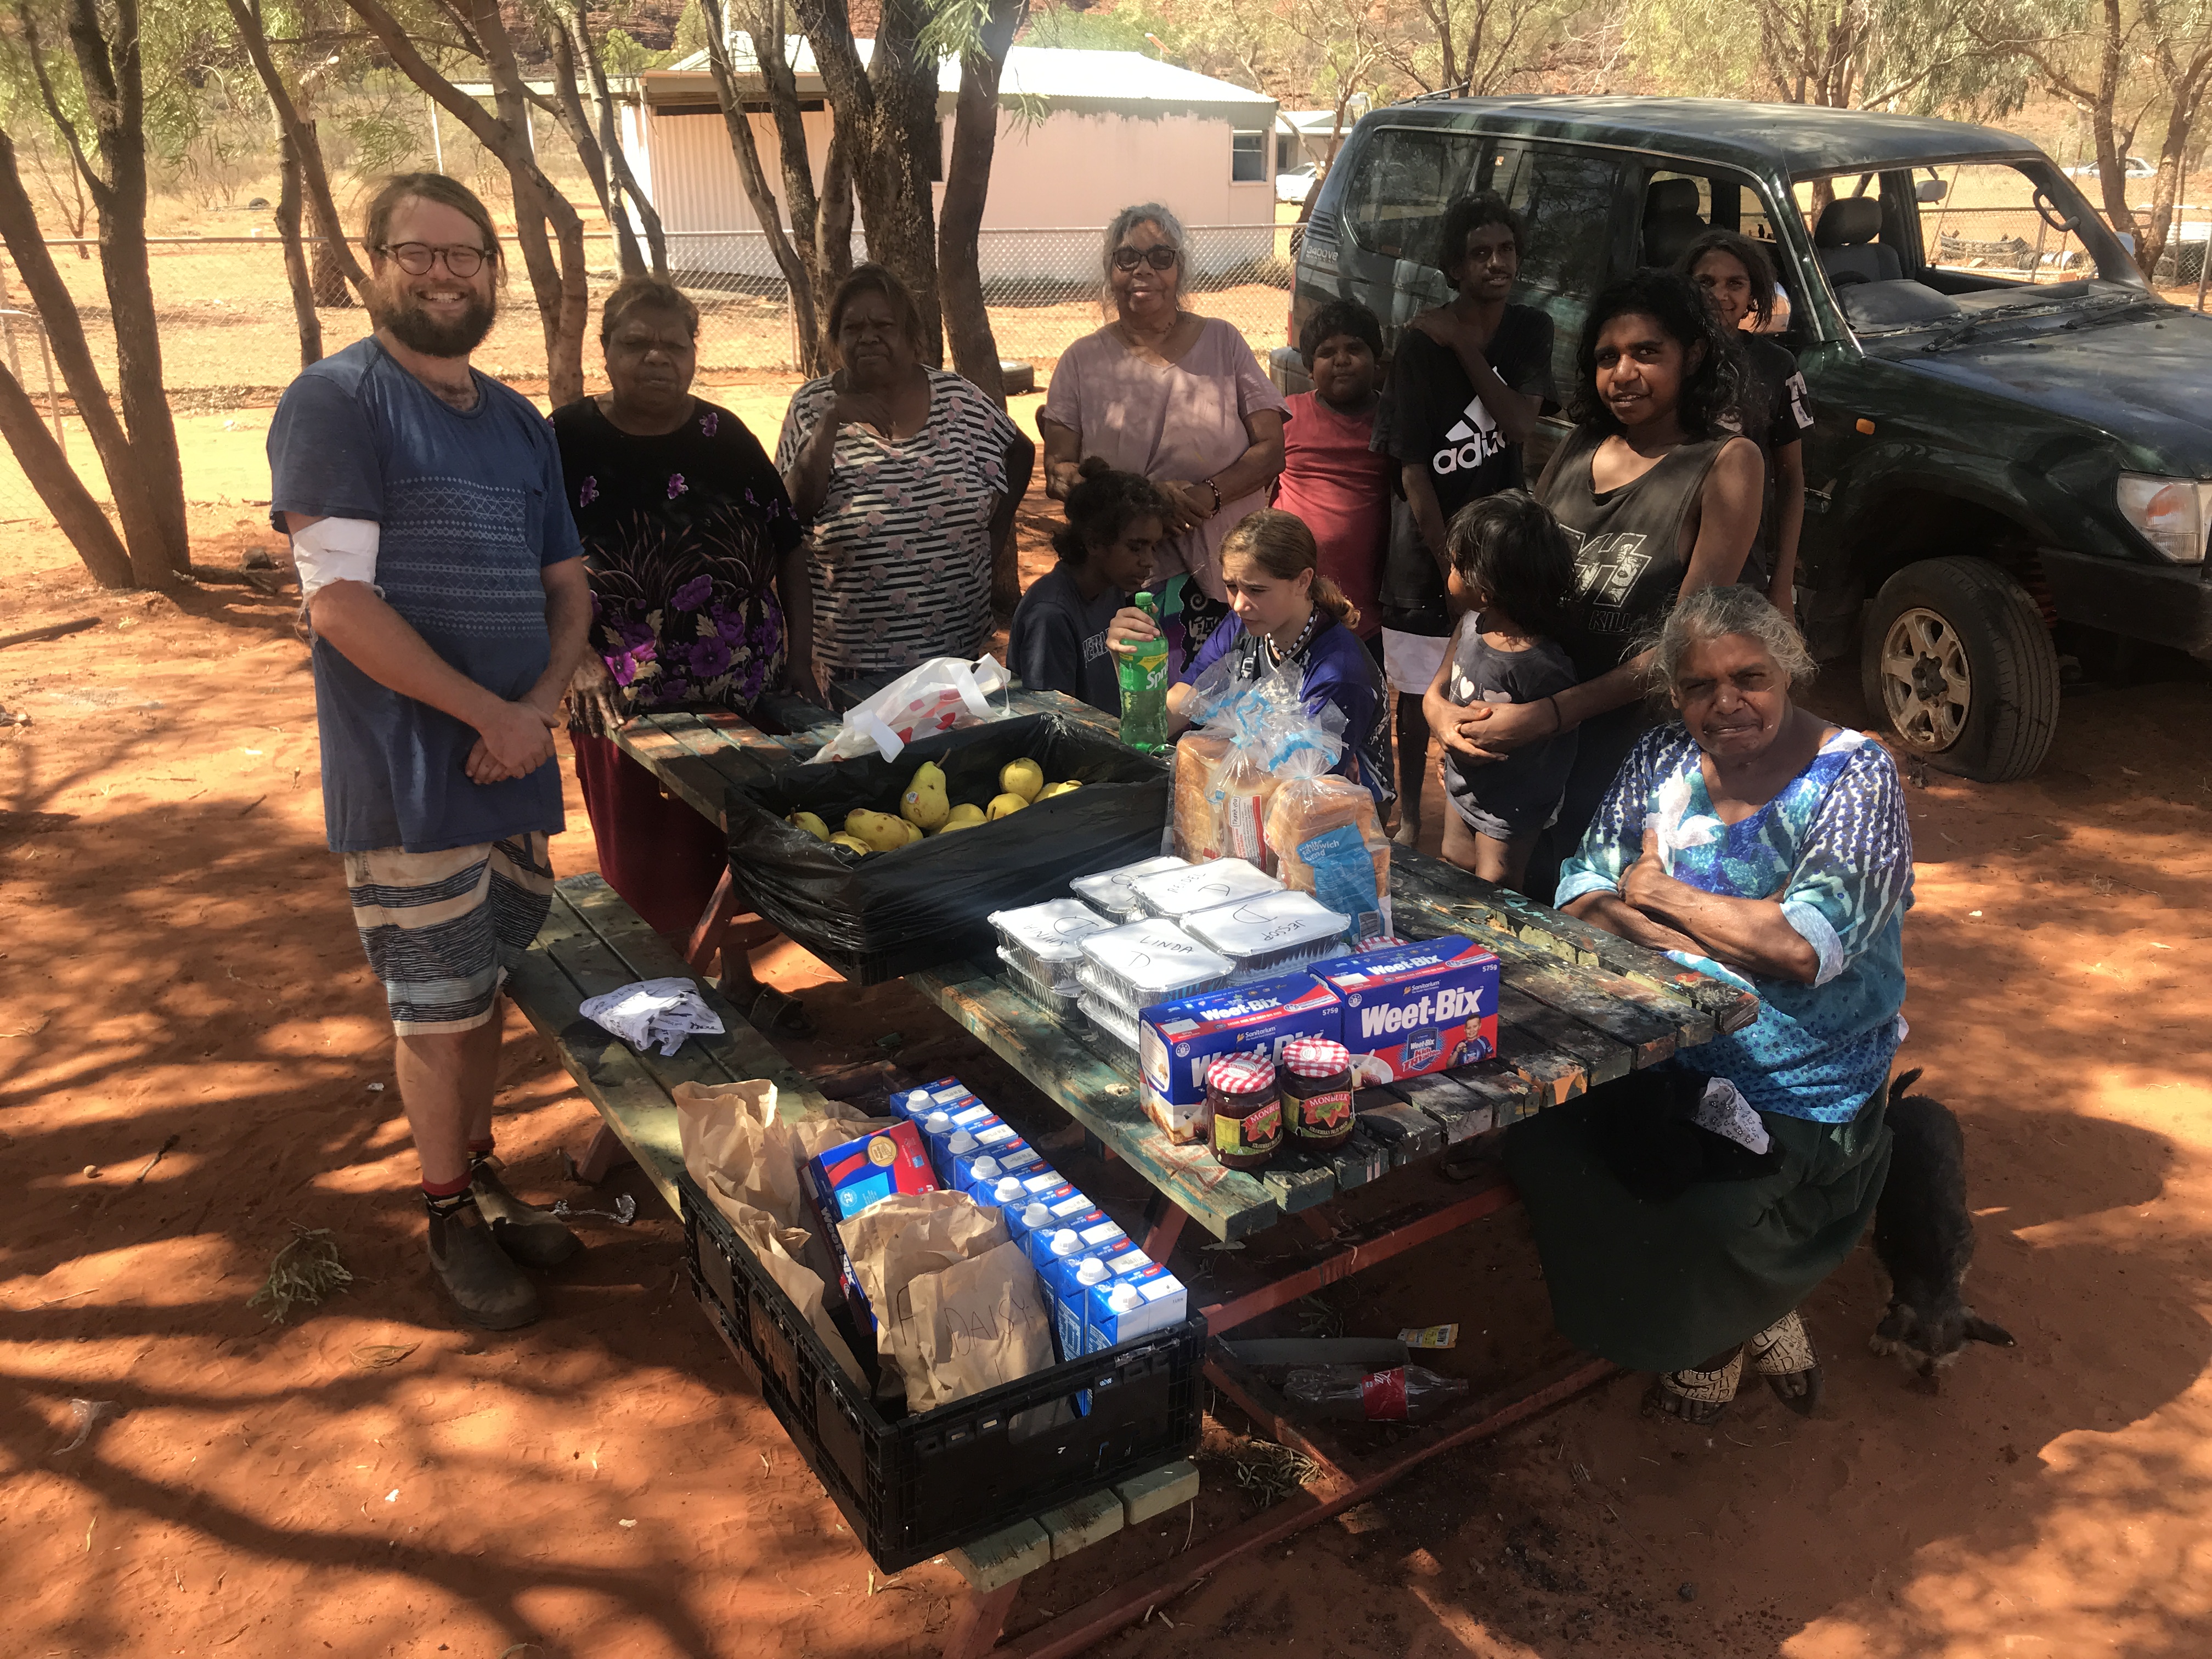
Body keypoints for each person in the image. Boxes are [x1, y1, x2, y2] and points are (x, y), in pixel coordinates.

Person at [267, 172, 593, 1330]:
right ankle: (448, 1207)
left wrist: (543, 701)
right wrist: (486, 716)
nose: (445, 275)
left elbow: (569, 587)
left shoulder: (516, 424)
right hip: (412, 778)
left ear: (493, 271)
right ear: (372, 265)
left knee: (489, 986)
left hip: (513, 765)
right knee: (437, 1005)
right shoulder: (338, 404)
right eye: (421, 254)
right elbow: (340, 606)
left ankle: (482, 1167)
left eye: (467, 256)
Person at [1504, 585, 1911, 1424]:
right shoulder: (1662, 758)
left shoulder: (1855, 775)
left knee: (1705, 1217)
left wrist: (1659, 895)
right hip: (1653, 1044)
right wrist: (1678, 929)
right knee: (1541, 1146)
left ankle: (1725, 1328)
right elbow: (1579, 885)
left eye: (1749, 677)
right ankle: (1730, 1311)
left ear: (1789, 672)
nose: (1726, 702)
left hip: (1800, 1073)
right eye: (1698, 686)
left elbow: (1806, 948)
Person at [551, 274, 810, 1035]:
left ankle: (735, 984)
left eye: (674, 344)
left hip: (740, 690)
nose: (656, 358)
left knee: (730, 847)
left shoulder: (722, 437)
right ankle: (668, 1007)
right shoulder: (562, 441)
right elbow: (520, 562)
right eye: (637, 343)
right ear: (605, 352)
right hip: (624, 701)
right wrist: (574, 662)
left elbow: (789, 545)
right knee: (647, 864)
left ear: (695, 353)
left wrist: (800, 659)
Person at [1456, 269, 1763, 902]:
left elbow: (1686, 647)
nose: (1623, 374)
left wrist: (1551, 717)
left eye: (1647, 352)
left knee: (1586, 914)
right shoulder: (1577, 447)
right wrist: (1441, 700)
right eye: (1606, 358)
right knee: (1501, 908)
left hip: (1627, 750)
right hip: (1528, 730)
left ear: (1695, 354)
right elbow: (1506, 588)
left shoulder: (1725, 464)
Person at [1372, 192, 1555, 848]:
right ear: (1454, 267)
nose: (1496, 264)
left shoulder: (1529, 330)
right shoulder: (1419, 347)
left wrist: (1468, 349)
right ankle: (1411, 818)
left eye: (1506, 250)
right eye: (1479, 254)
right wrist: (1450, 563)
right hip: (1427, 561)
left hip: (1501, 558)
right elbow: (1413, 470)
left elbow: (1517, 424)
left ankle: (1477, 816)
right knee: (1420, 692)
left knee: (1490, 684)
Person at [1039, 202, 1288, 670]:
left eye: (1160, 257)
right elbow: (1059, 474)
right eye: (1127, 258)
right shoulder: (1079, 361)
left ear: (1180, 269)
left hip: (1226, 575)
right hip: (1124, 586)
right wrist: (1147, 501)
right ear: (1110, 271)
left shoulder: (1224, 342)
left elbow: (1271, 450)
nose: (1143, 270)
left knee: (1218, 719)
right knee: (1138, 711)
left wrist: (1204, 497)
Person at [776, 263, 1035, 710]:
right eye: (853, 327)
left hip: (955, 654)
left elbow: (1020, 451)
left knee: (946, 773)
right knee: (865, 772)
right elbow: (792, 511)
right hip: (851, 666)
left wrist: (993, 537)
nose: (869, 337)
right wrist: (831, 422)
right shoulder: (812, 407)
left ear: (914, 338)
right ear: (836, 340)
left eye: (884, 325)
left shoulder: (959, 400)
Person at [1107, 509, 1393, 810]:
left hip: (1339, 829)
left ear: (1303, 581)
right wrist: (1129, 664)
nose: (1240, 604)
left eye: (1257, 590)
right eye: (1232, 586)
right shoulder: (1240, 628)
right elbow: (1168, 717)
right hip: (1251, 801)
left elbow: (1304, 799)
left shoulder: (1339, 671)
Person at [1424, 492, 1580, 891]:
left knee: (1497, 880)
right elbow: (1443, 686)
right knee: (1455, 858)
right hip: (1462, 781)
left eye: (1457, 566)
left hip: (1512, 800)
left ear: (1486, 587)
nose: (1451, 571)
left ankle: (1492, 950)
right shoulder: (1472, 622)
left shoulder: (1540, 665)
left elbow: (1558, 740)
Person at [1680, 229, 1814, 610]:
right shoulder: (1665, 359)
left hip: (1742, 566)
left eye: (1735, 283)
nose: (1720, 295)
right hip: (1663, 553)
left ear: (1754, 294)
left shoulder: (1776, 367)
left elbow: (1791, 479)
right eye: (1706, 282)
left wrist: (1782, 583)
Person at [1273, 299, 1392, 668]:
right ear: (1309, 369)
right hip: (1289, 600)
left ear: (1377, 359)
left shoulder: (1394, 419)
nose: (1341, 360)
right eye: (1327, 353)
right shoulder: (1288, 414)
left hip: (1365, 607)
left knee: (1354, 693)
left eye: (1354, 349)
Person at [1008, 459, 1169, 713]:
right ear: (1094, 543)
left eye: (1153, 547)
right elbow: (1054, 719)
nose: (1148, 561)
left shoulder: (1112, 588)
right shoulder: (1050, 614)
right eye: (1135, 547)